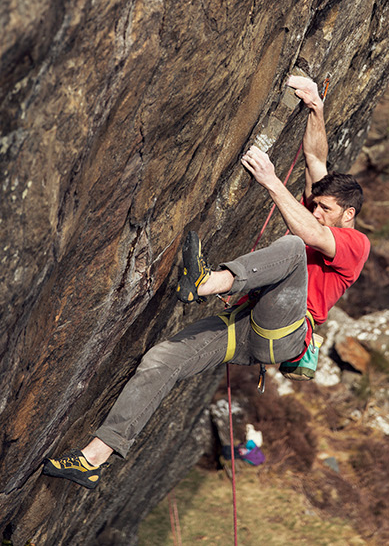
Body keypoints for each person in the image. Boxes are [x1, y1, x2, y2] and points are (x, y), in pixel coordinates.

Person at [42, 74, 370, 488]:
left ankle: (204, 283)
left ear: (348, 215)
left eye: (325, 208)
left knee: (289, 248)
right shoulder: (324, 208)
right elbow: (315, 160)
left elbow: (309, 235)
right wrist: (316, 108)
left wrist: (270, 181)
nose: (316, 210)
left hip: (287, 330)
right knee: (162, 360)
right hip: (246, 329)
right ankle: (93, 459)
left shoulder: (355, 244)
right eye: (315, 205)